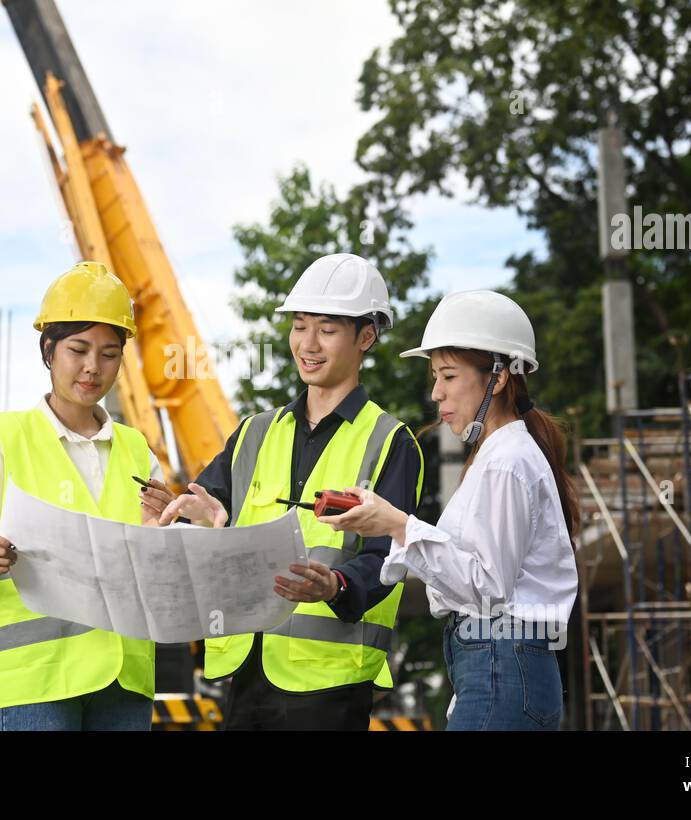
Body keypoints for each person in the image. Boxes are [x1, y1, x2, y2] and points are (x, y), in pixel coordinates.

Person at [149, 254, 423, 731]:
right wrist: (192, 513)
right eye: (299, 326)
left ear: (366, 336)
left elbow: (391, 553)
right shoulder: (255, 432)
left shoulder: (390, 442)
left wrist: (338, 585)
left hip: (329, 684)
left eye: (327, 329)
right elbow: (209, 514)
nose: (307, 344)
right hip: (245, 671)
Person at [316, 289, 579, 730]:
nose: (436, 393)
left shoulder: (507, 461)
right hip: (494, 664)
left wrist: (397, 524)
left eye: (449, 376)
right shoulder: (499, 455)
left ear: (497, 378)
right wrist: (395, 528)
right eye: (435, 377)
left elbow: (486, 586)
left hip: (500, 662)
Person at [0, 261, 165, 731]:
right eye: (78, 349)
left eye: (109, 353)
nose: (92, 368)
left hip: (124, 681)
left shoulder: (138, 452)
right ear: (49, 350)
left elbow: (158, 563)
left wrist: (163, 536)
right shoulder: (5, 440)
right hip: (33, 687)